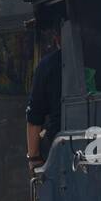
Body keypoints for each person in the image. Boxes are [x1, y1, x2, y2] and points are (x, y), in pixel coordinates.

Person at [25, 32, 62, 169]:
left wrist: (33, 158)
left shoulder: (47, 65)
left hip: (59, 146)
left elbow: (34, 117)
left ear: (57, 38)